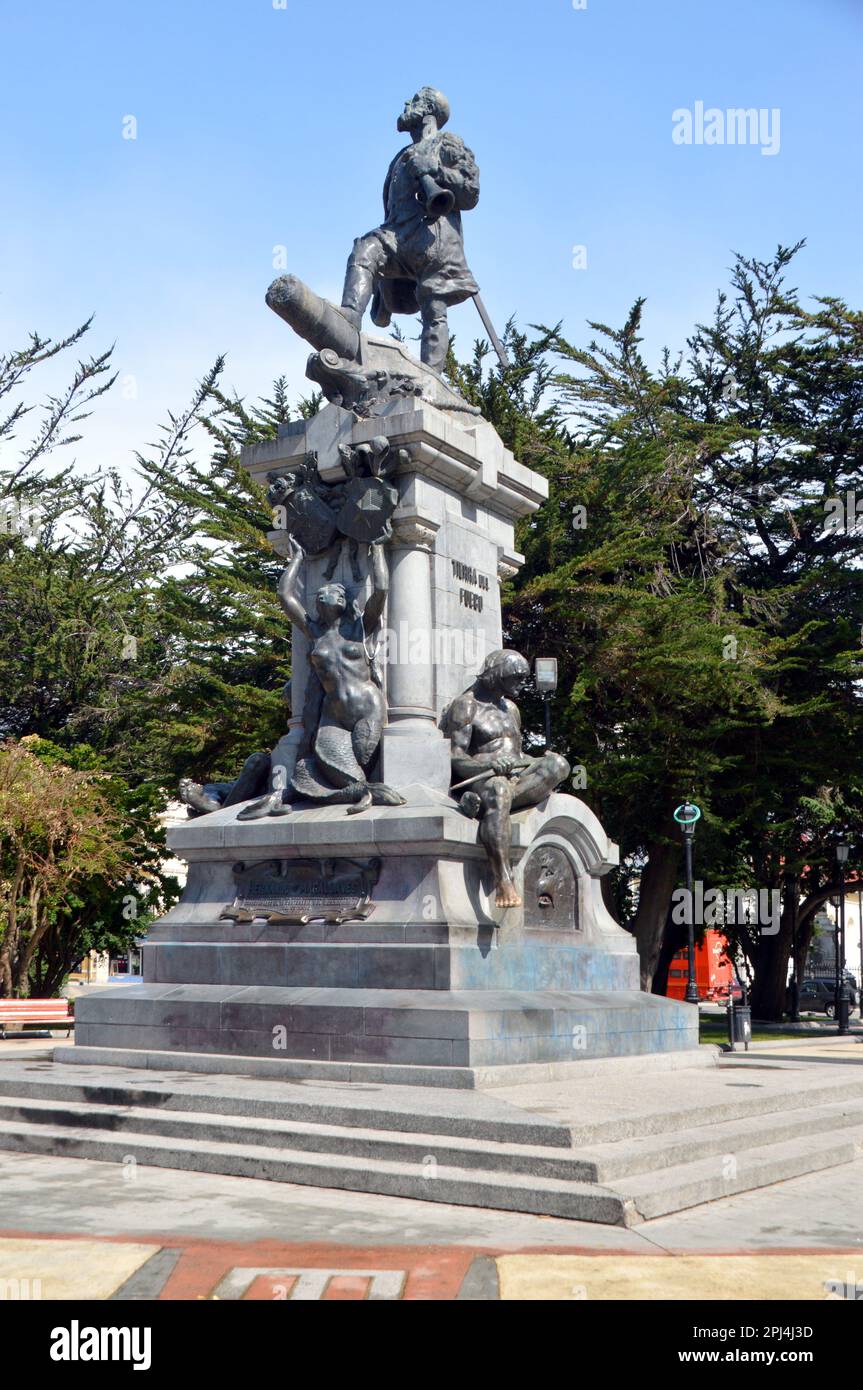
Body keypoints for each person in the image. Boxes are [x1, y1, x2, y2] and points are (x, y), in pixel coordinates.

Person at [339, 87, 479, 372]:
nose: (407, 104)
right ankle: (348, 319)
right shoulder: (402, 155)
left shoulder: (448, 143)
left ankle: (431, 377)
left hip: (434, 242)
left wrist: (435, 170)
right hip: (399, 236)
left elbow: (470, 191)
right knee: (364, 250)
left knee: (434, 308)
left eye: (415, 101)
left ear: (428, 110)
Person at [444, 650, 570, 907]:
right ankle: (503, 879)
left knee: (558, 764)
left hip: (515, 776)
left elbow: (517, 753)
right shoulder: (466, 705)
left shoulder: (511, 709)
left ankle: (488, 808)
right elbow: (454, 756)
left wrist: (534, 761)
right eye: (517, 678)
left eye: (525, 678)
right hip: (484, 776)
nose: (522, 684)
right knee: (499, 790)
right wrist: (490, 764)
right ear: (497, 674)